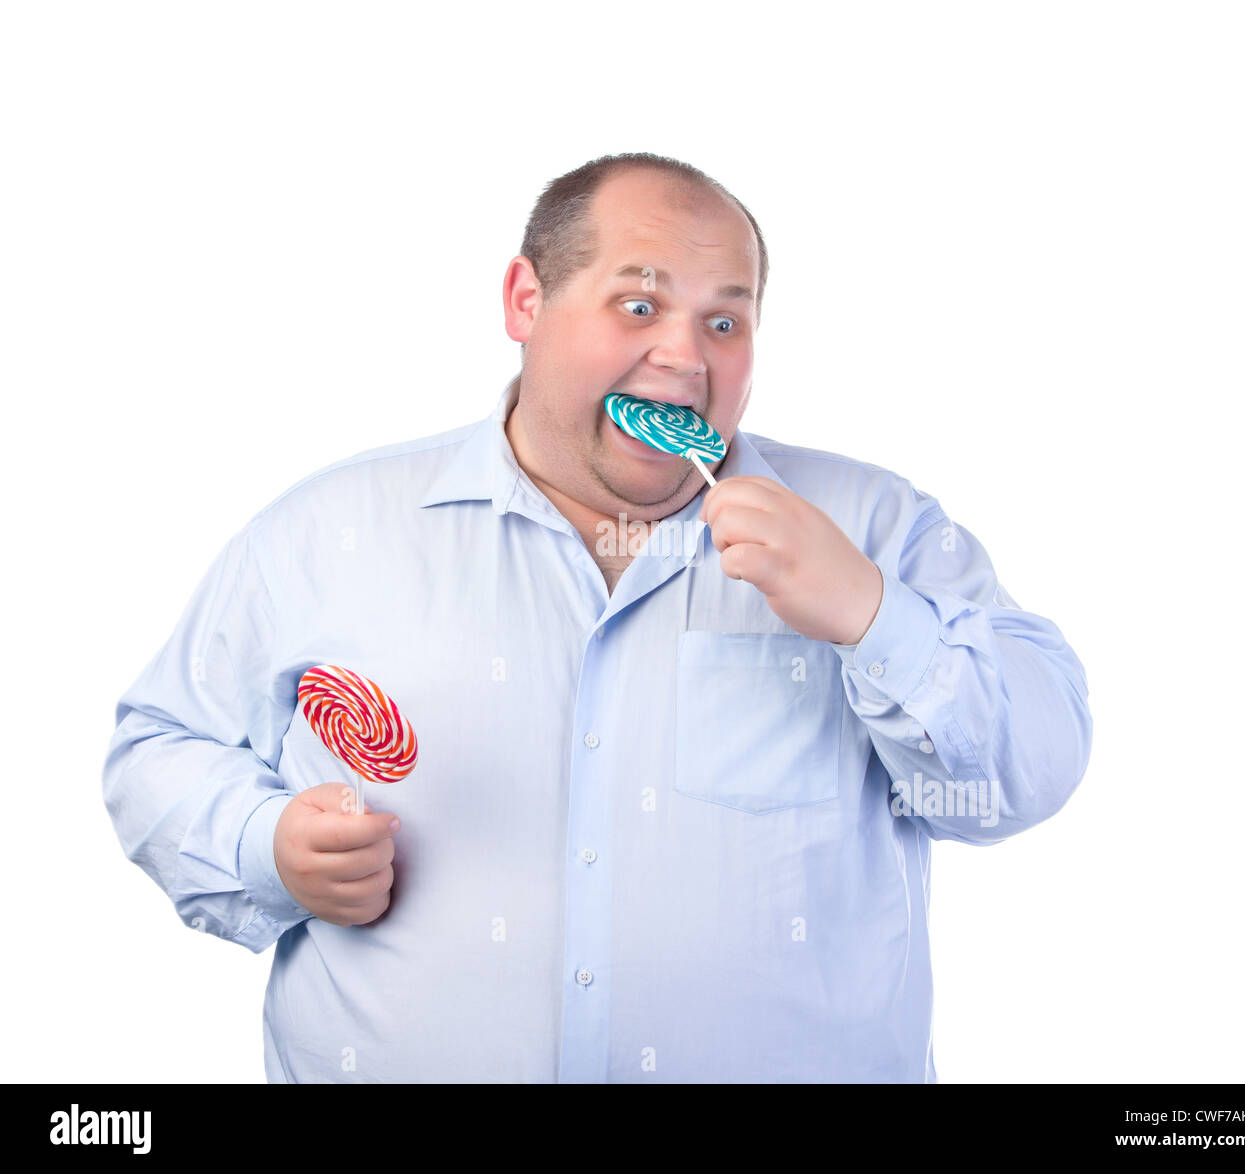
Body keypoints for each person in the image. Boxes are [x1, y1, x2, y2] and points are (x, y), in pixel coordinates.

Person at [102, 151, 1092, 1083]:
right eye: (638, 303)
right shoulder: (328, 531)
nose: (685, 356)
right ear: (525, 300)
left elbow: (1029, 776)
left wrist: (874, 618)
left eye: (724, 321)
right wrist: (261, 842)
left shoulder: (873, 524)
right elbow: (160, 745)